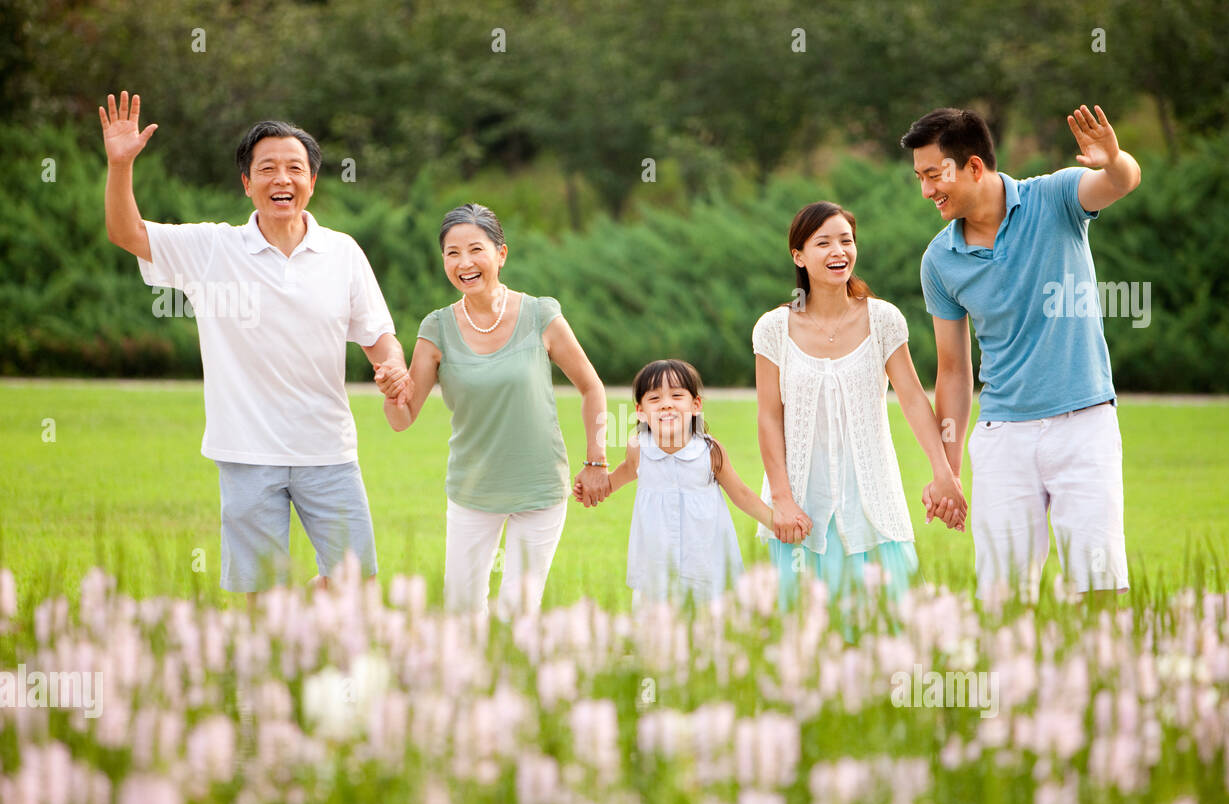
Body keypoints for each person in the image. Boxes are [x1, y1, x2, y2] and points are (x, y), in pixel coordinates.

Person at [99, 91, 412, 598]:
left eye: (294, 168)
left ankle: (303, 624)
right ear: (247, 183)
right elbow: (126, 232)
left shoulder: (343, 253)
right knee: (260, 599)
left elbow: (379, 337)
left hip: (328, 450)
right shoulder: (212, 249)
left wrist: (393, 367)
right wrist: (119, 166)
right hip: (246, 451)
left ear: (311, 180)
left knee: (357, 586)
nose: (281, 179)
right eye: (267, 168)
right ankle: (270, 662)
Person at [901, 105, 1141, 602]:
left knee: (1100, 588)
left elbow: (1121, 182)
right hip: (1003, 436)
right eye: (919, 178)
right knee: (1003, 598)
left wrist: (1113, 159)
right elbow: (952, 371)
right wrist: (947, 471)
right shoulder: (940, 261)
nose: (926, 191)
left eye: (933, 175)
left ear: (972, 166)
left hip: (1085, 425)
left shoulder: (1053, 198)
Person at [379, 203, 610, 617]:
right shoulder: (436, 329)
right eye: (452, 253)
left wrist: (596, 460)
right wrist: (392, 391)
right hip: (473, 489)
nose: (464, 262)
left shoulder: (540, 314)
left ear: (501, 254)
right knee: (462, 612)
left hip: (539, 488)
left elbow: (592, 387)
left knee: (518, 613)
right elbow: (402, 419)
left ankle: (517, 682)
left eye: (475, 249)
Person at [753, 201, 966, 609]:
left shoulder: (883, 319)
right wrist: (781, 497)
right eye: (824, 243)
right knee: (801, 633)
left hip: (873, 505)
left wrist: (944, 474)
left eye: (846, 241)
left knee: (891, 628)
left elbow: (913, 401)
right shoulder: (773, 329)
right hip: (800, 510)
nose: (839, 252)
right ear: (798, 255)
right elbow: (768, 418)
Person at [574, 359, 773, 605]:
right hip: (656, 561)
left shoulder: (709, 451)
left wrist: (776, 522)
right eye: (655, 399)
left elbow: (741, 494)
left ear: (695, 405)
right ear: (640, 411)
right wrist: (595, 490)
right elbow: (622, 474)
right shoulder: (639, 449)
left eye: (677, 395)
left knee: (708, 627)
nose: (666, 404)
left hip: (705, 561)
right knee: (655, 628)